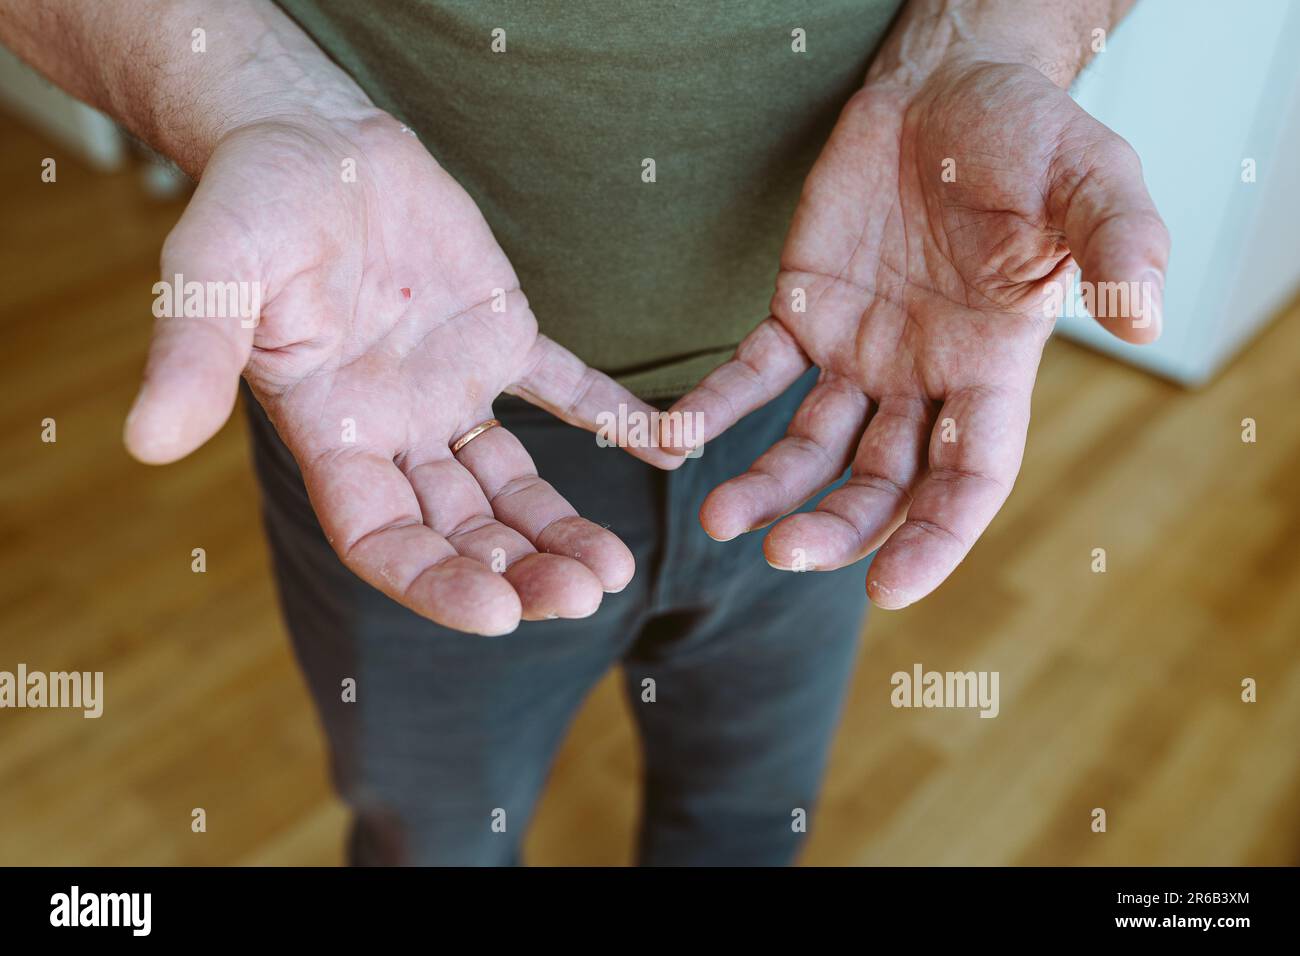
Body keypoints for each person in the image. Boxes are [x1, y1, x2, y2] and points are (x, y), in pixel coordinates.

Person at [0, 0, 1168, 865]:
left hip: (837, 397)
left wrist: (989, 43)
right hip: (412, 422)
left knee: (749, 819)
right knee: (432, 838)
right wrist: (251, 98)